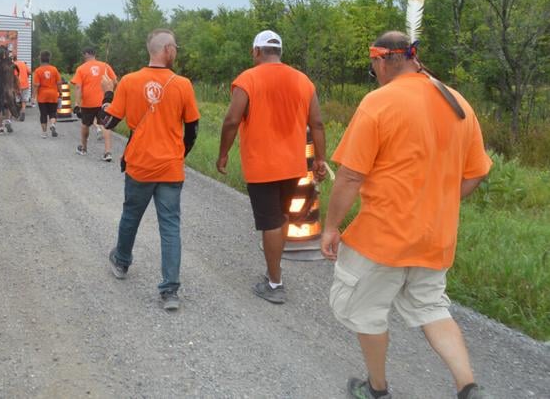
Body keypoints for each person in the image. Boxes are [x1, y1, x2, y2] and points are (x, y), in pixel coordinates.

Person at [320, 31, 492, 399]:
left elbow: (350, 175)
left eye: (373, 67)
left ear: (382, 60)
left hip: (383, 237)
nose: (374, 74)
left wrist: (331, 226)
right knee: (431, 307)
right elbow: (478, 171)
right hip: (436, 236)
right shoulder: (458, 102)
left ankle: (377, 390)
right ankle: (469, 388)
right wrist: (441, 202)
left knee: (366, 311)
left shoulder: (379, 102)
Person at [216, 30, 327, 304]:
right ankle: (272, 270)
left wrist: (223, 154)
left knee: (271, 223)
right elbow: (318, 123)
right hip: (293, 164)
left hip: (262, 166)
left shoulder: (247, 79)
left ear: (256, 51)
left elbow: (231, 120)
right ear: (279, 51)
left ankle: (275, 284)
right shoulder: (303, 81)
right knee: (281, 218)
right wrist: (321, 160)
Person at [104, 29, 200, 311]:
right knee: (170, 227)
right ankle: (169, 291)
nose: (177, 52)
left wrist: (107, 92)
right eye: (176, 48)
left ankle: (121, 262)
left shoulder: (130, 82)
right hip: (170, 169)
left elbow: (108, 122)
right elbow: (192, 129)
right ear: (167, 49)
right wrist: (179, 155)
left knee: (131, 216)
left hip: (140, 166)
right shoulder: (183, 84)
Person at [71, 47, 117, 161]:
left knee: (85, 124)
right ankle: (107, 152)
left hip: (88, 102)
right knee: (105, 125)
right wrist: (109, 93)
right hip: (104, 102)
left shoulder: (81, 68)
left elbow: (78, 86)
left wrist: (77, 102)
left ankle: (84, 148)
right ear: (95, 54)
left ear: (86, 54)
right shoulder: (105, 65)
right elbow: (115, 81)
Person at [32, 50, 61, 138]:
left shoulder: (38, 71)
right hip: (53, 94)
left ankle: (44, 133)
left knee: (43, 114)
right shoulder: (54, 69)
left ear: (40, 59)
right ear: (49, 59)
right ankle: (52, 124)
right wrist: (60, 92)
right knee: (53, 112)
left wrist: (33, 97)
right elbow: (59, 83)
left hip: (42, 96)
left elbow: (36, 85)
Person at [13, 54, 31, 121]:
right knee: (24, 100)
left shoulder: (13, 65)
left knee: (17, 100)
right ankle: (23, 111)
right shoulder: (23, 63)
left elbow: (15, 76)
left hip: (17, 85)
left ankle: (17, 113)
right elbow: (29, 72)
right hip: (25, 84)